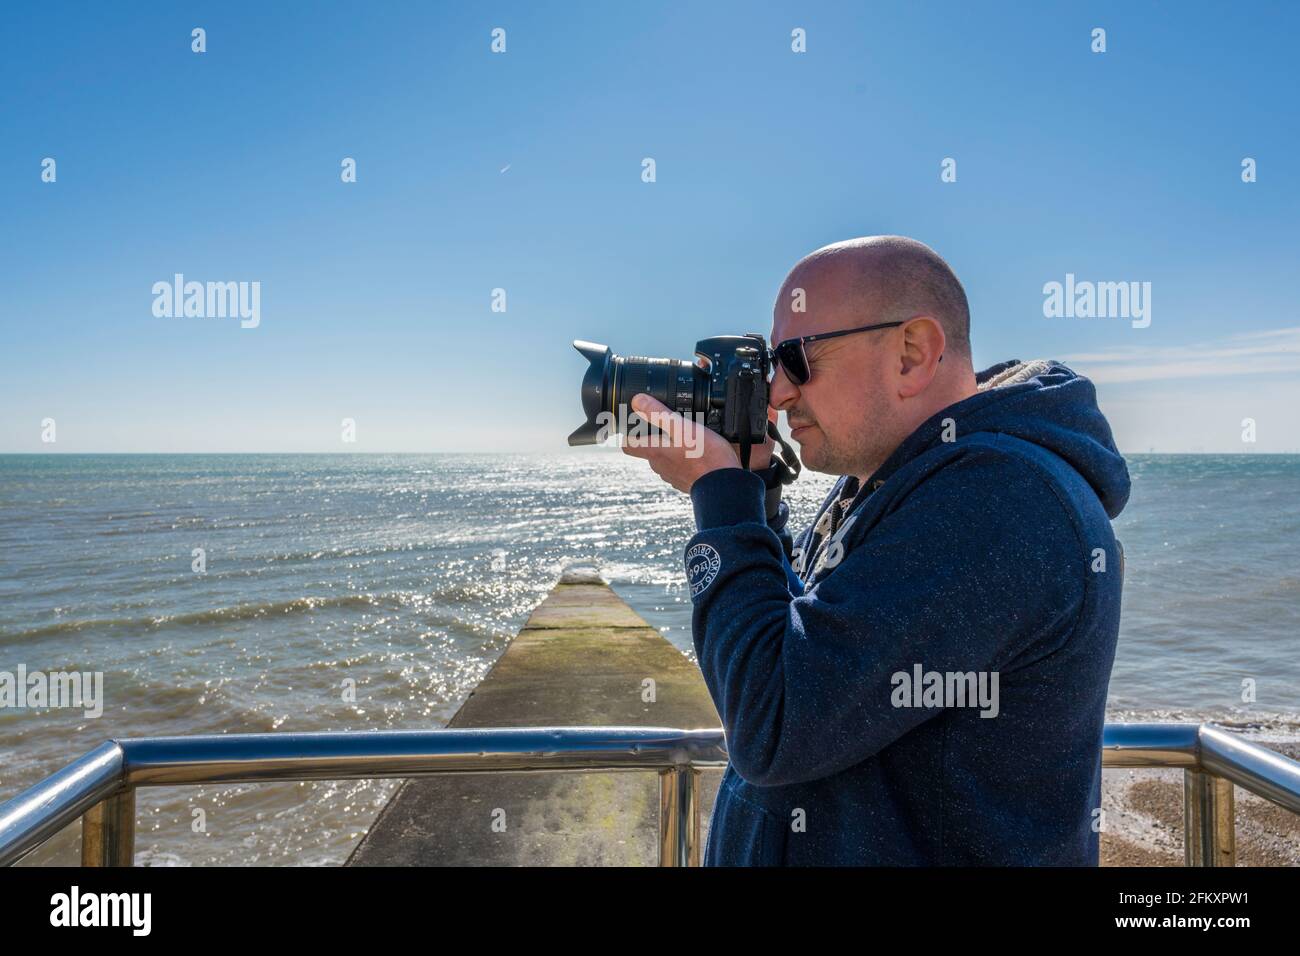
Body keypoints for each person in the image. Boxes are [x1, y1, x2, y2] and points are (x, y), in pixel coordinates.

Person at [622, 235, 1131, 865]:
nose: (777, 393)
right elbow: (805, 647)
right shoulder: (903, 481)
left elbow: (773, 723)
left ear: (912, 354)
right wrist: (760, 498)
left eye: (796, 359)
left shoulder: (998, 502)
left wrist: (720, 497)